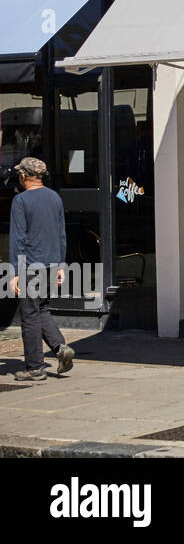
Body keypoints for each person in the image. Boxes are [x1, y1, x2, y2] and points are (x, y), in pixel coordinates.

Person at [8, 157, 74, 382]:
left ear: (24, 176)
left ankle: (35, 367)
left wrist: (15, 272)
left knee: (30, 315)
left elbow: (18, 238)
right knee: (42, 308)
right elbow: (61, 234)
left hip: (30, 266)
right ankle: (60, 347)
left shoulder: (21, 200)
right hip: (50, 264)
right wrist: (60, 265)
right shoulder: (54, 198)